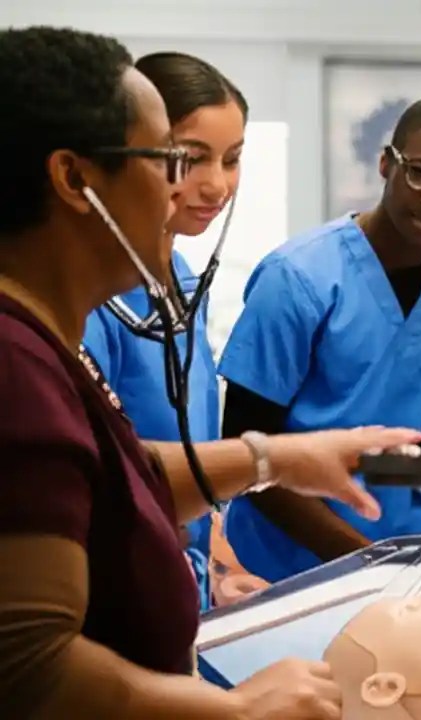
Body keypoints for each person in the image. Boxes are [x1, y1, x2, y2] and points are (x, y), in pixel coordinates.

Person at [0, 25, 421, 718]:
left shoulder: (36, 346)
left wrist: (276, 459)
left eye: (228, 160)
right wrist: (237, 712)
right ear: (75, 179)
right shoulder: (15, 367)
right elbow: (29, 667)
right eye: (167, 157)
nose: (190, 189)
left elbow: (114, 480)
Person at [217, 93, 421, 583]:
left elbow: (410, 417)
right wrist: (361, 559)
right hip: (273, 566)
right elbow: (241, 447)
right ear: (387, 163)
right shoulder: (299, 276)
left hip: (396, 556)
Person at [81, 50, 267, 611]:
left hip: (176, 580)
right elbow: (101, 472)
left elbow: (192, 441)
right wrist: (272, 458)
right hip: (111, 586)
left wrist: (211, 573)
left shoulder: (182, 280)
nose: (216, 186)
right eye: (192, 158)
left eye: (231, 160)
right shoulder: (91, 293)